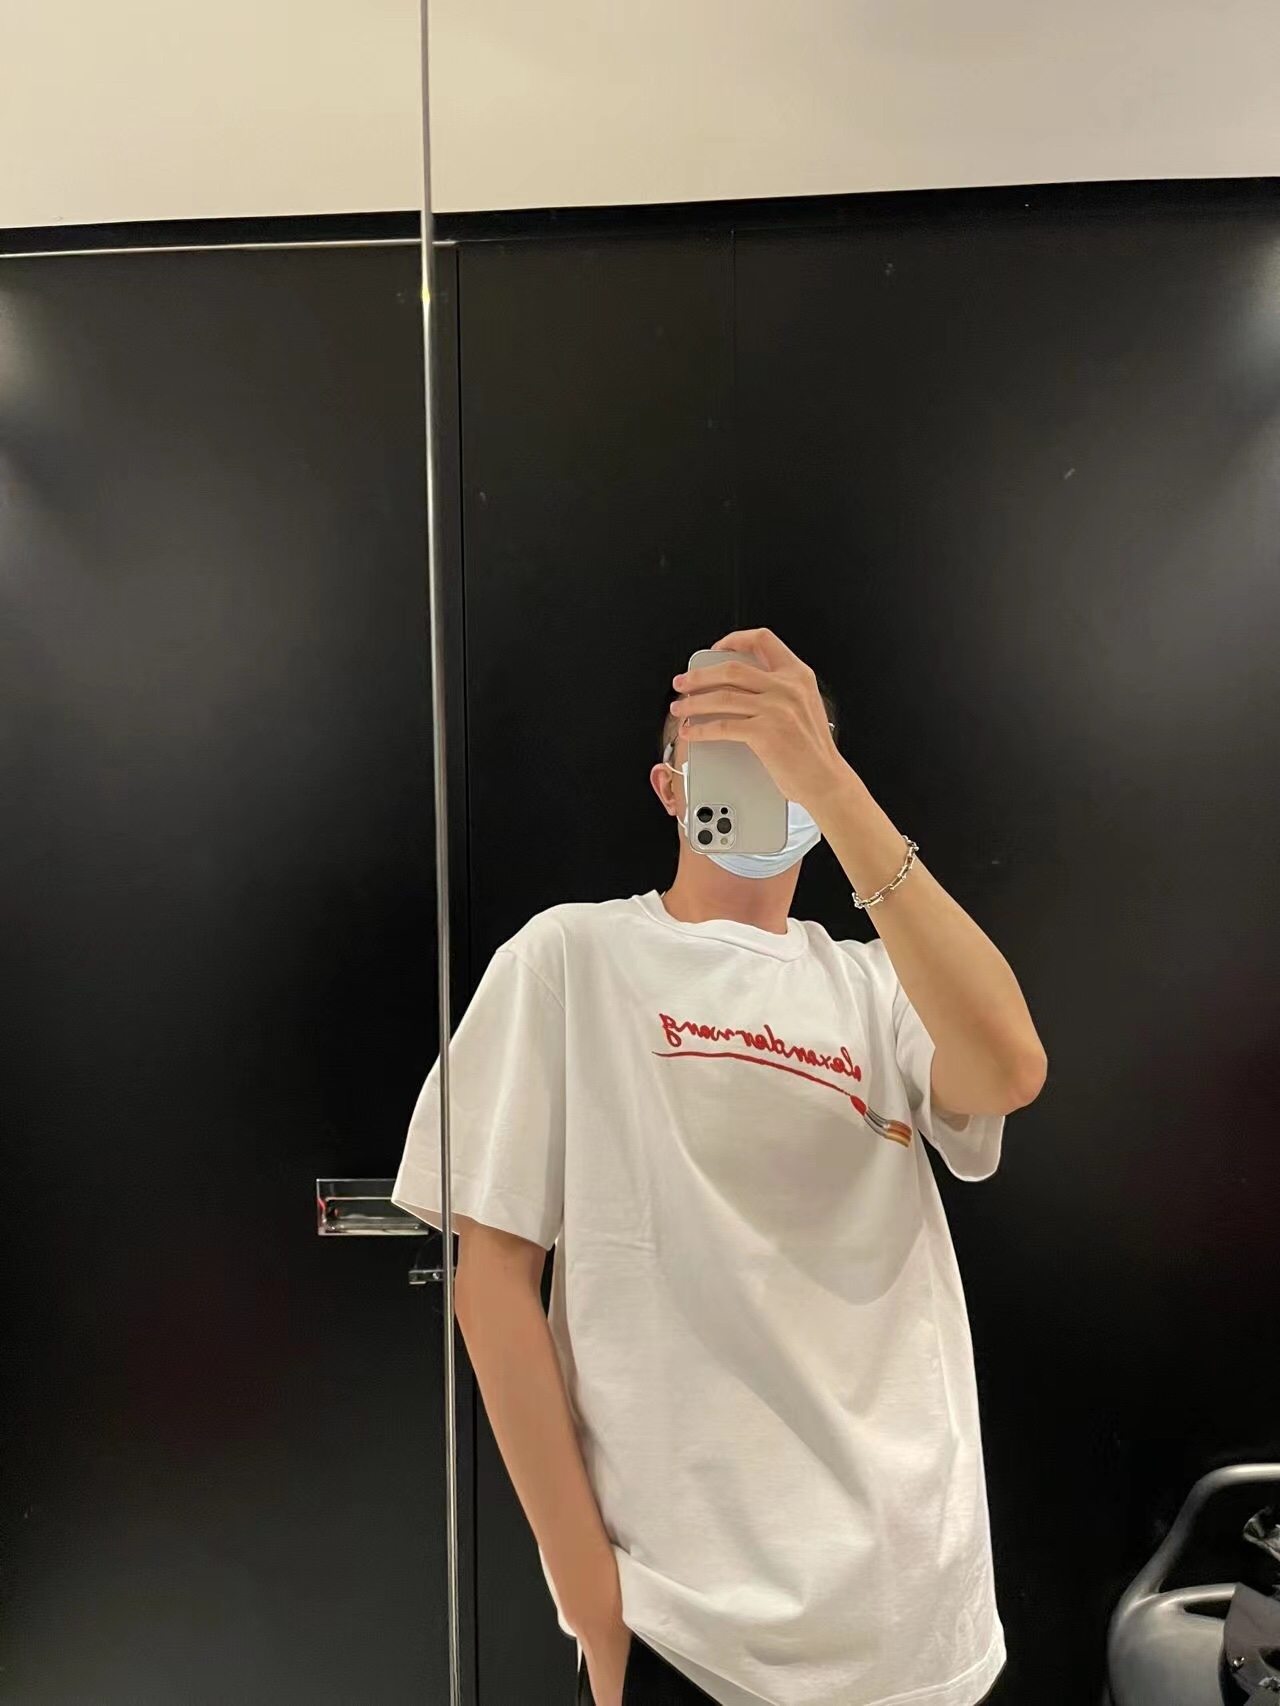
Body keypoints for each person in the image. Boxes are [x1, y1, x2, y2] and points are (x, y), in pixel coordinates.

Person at [393, 628, 1047, 1706]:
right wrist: (590, 1602)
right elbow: (493, 1278)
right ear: (669, 787)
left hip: (916, 1619)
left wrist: (832, 789)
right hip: (691, 1632)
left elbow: (1009, 1066)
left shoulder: (880, 984)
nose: (763, 766)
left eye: (786, 743)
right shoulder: (572, 956)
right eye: (724, 744)